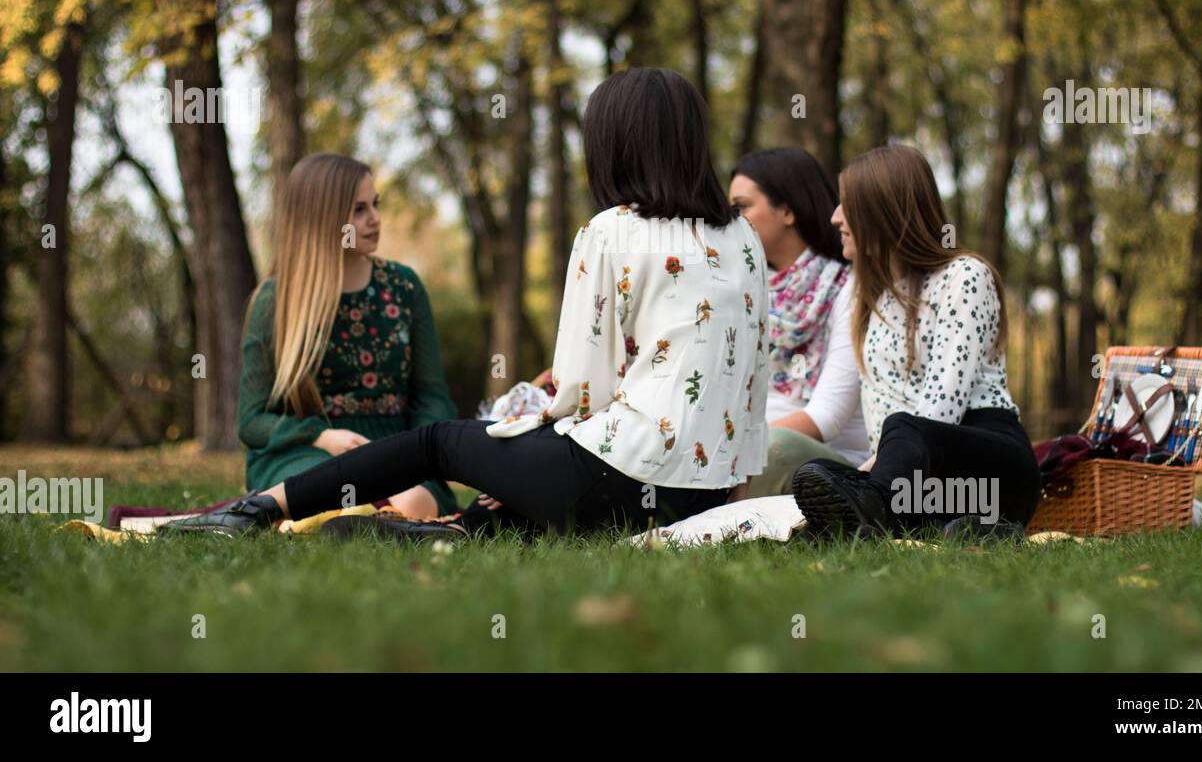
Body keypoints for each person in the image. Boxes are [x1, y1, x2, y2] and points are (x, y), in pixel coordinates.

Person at [165, 68, 770, 541]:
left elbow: (580, 396)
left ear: (614, 146)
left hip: (613, 475)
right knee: (523, 493)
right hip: (701, 493)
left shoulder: (610, 230)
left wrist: (514, 448)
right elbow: (753, 379)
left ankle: (258, 508)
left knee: (440, 442)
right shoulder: (744, 237)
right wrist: (730, 496)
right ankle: (447, 534)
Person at [792, 145, 1040, 540]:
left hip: (990, 468)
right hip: (917, 482)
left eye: (847, 205)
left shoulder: (965, 277)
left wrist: (874, 474)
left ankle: (869, 510)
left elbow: (942, 405)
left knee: (904, 430)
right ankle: (962, 528)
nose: (836, 217)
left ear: (884, 211)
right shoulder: (863, 296)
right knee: (823, 473)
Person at [236, 152, 458, 520]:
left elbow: (432, 398)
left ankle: (367, 517)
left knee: (413, 503)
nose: (375, 219)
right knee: (328, 493)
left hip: (396, 449)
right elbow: (251, 421)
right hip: (306, 452)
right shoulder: (276, 300)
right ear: (323, 219)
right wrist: (320, 436)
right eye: (358, 209)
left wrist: (419, 452)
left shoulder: (404, 287)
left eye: (375, 204)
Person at [727, 147, 870, 498]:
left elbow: (828, 416)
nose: (730, 221)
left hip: (822, 459)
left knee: (773, 448)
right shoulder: (745, 292)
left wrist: (732, 453)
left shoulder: (849, 289)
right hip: (749, 451)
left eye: (741, 207)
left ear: (787, 212)